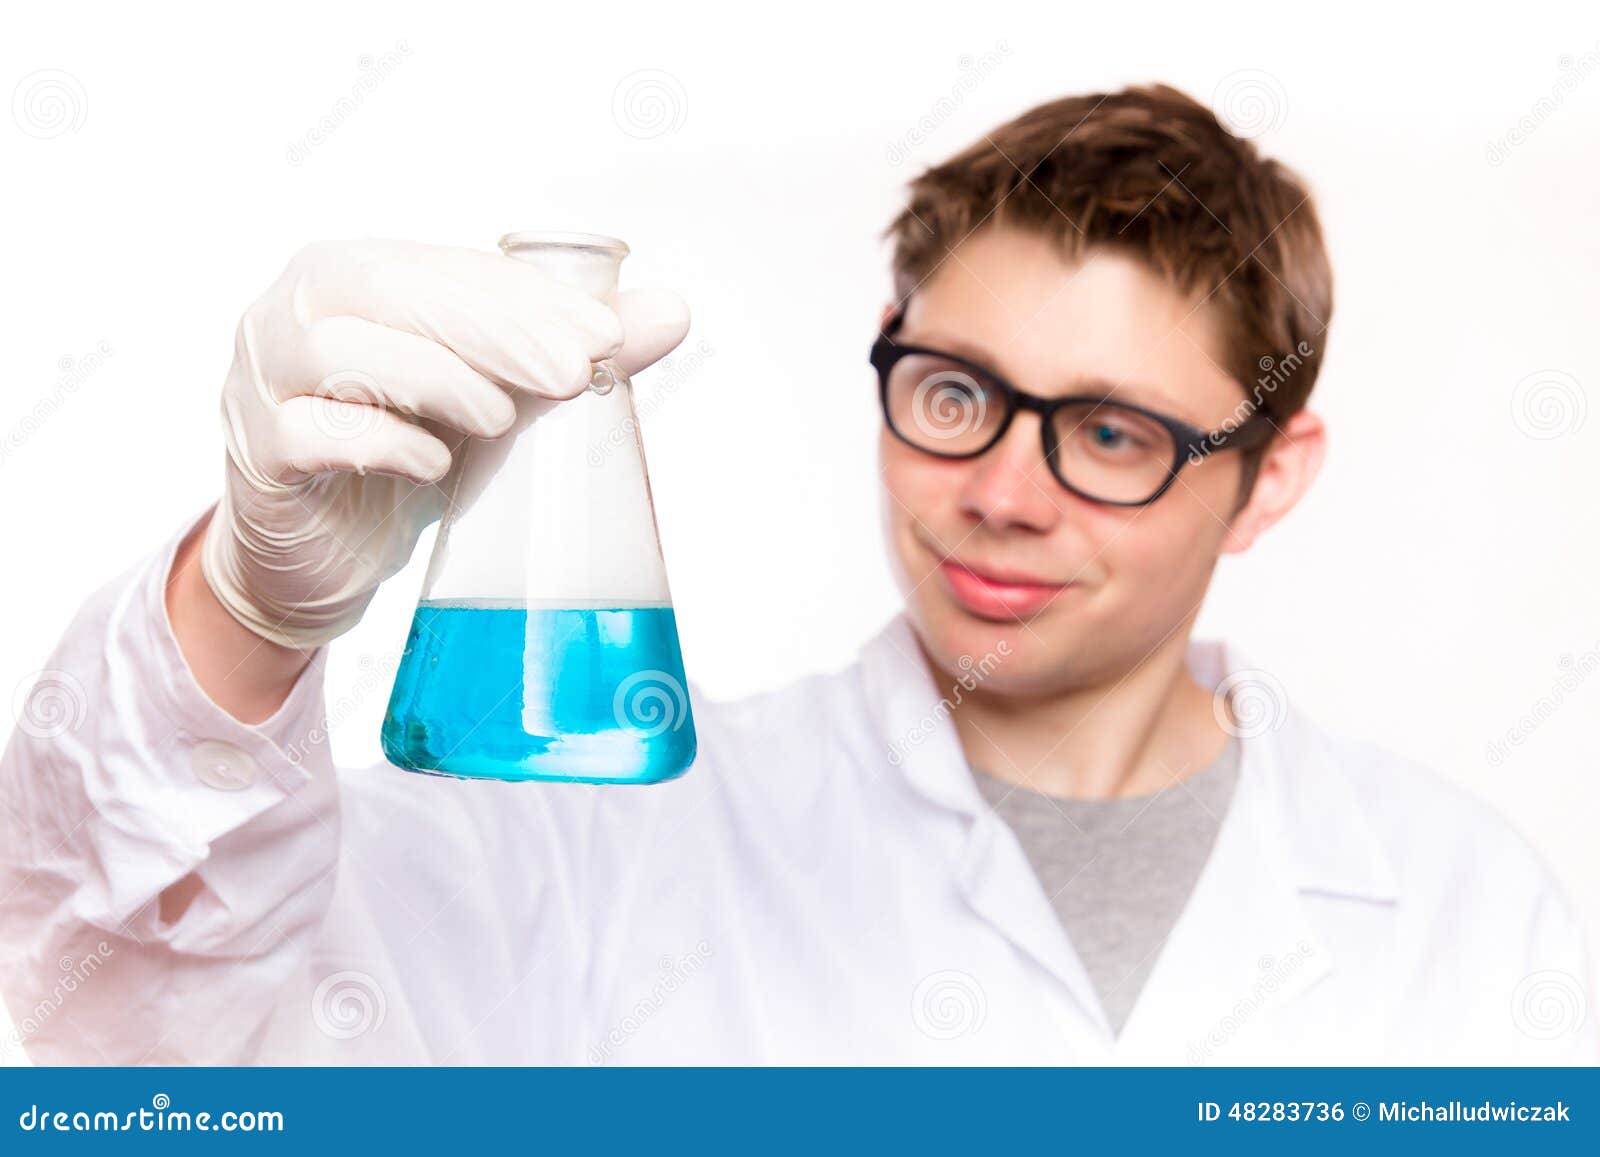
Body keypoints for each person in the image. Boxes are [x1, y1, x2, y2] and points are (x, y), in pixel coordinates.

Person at [1, 84, 1592, 1065]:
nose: (1001, 494)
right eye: (957, 392)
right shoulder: (598, 830)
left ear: (1268, 478)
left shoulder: (1462, 909)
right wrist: (250, 614)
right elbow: (136, 1034)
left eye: (1107, 430)